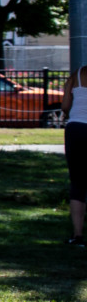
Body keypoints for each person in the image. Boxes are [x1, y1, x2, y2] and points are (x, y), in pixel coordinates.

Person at [65, 65, 87, 248]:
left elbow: (65, 105)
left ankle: (77, 235)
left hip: (75, 128)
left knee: (77, 182)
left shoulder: (76, 76)